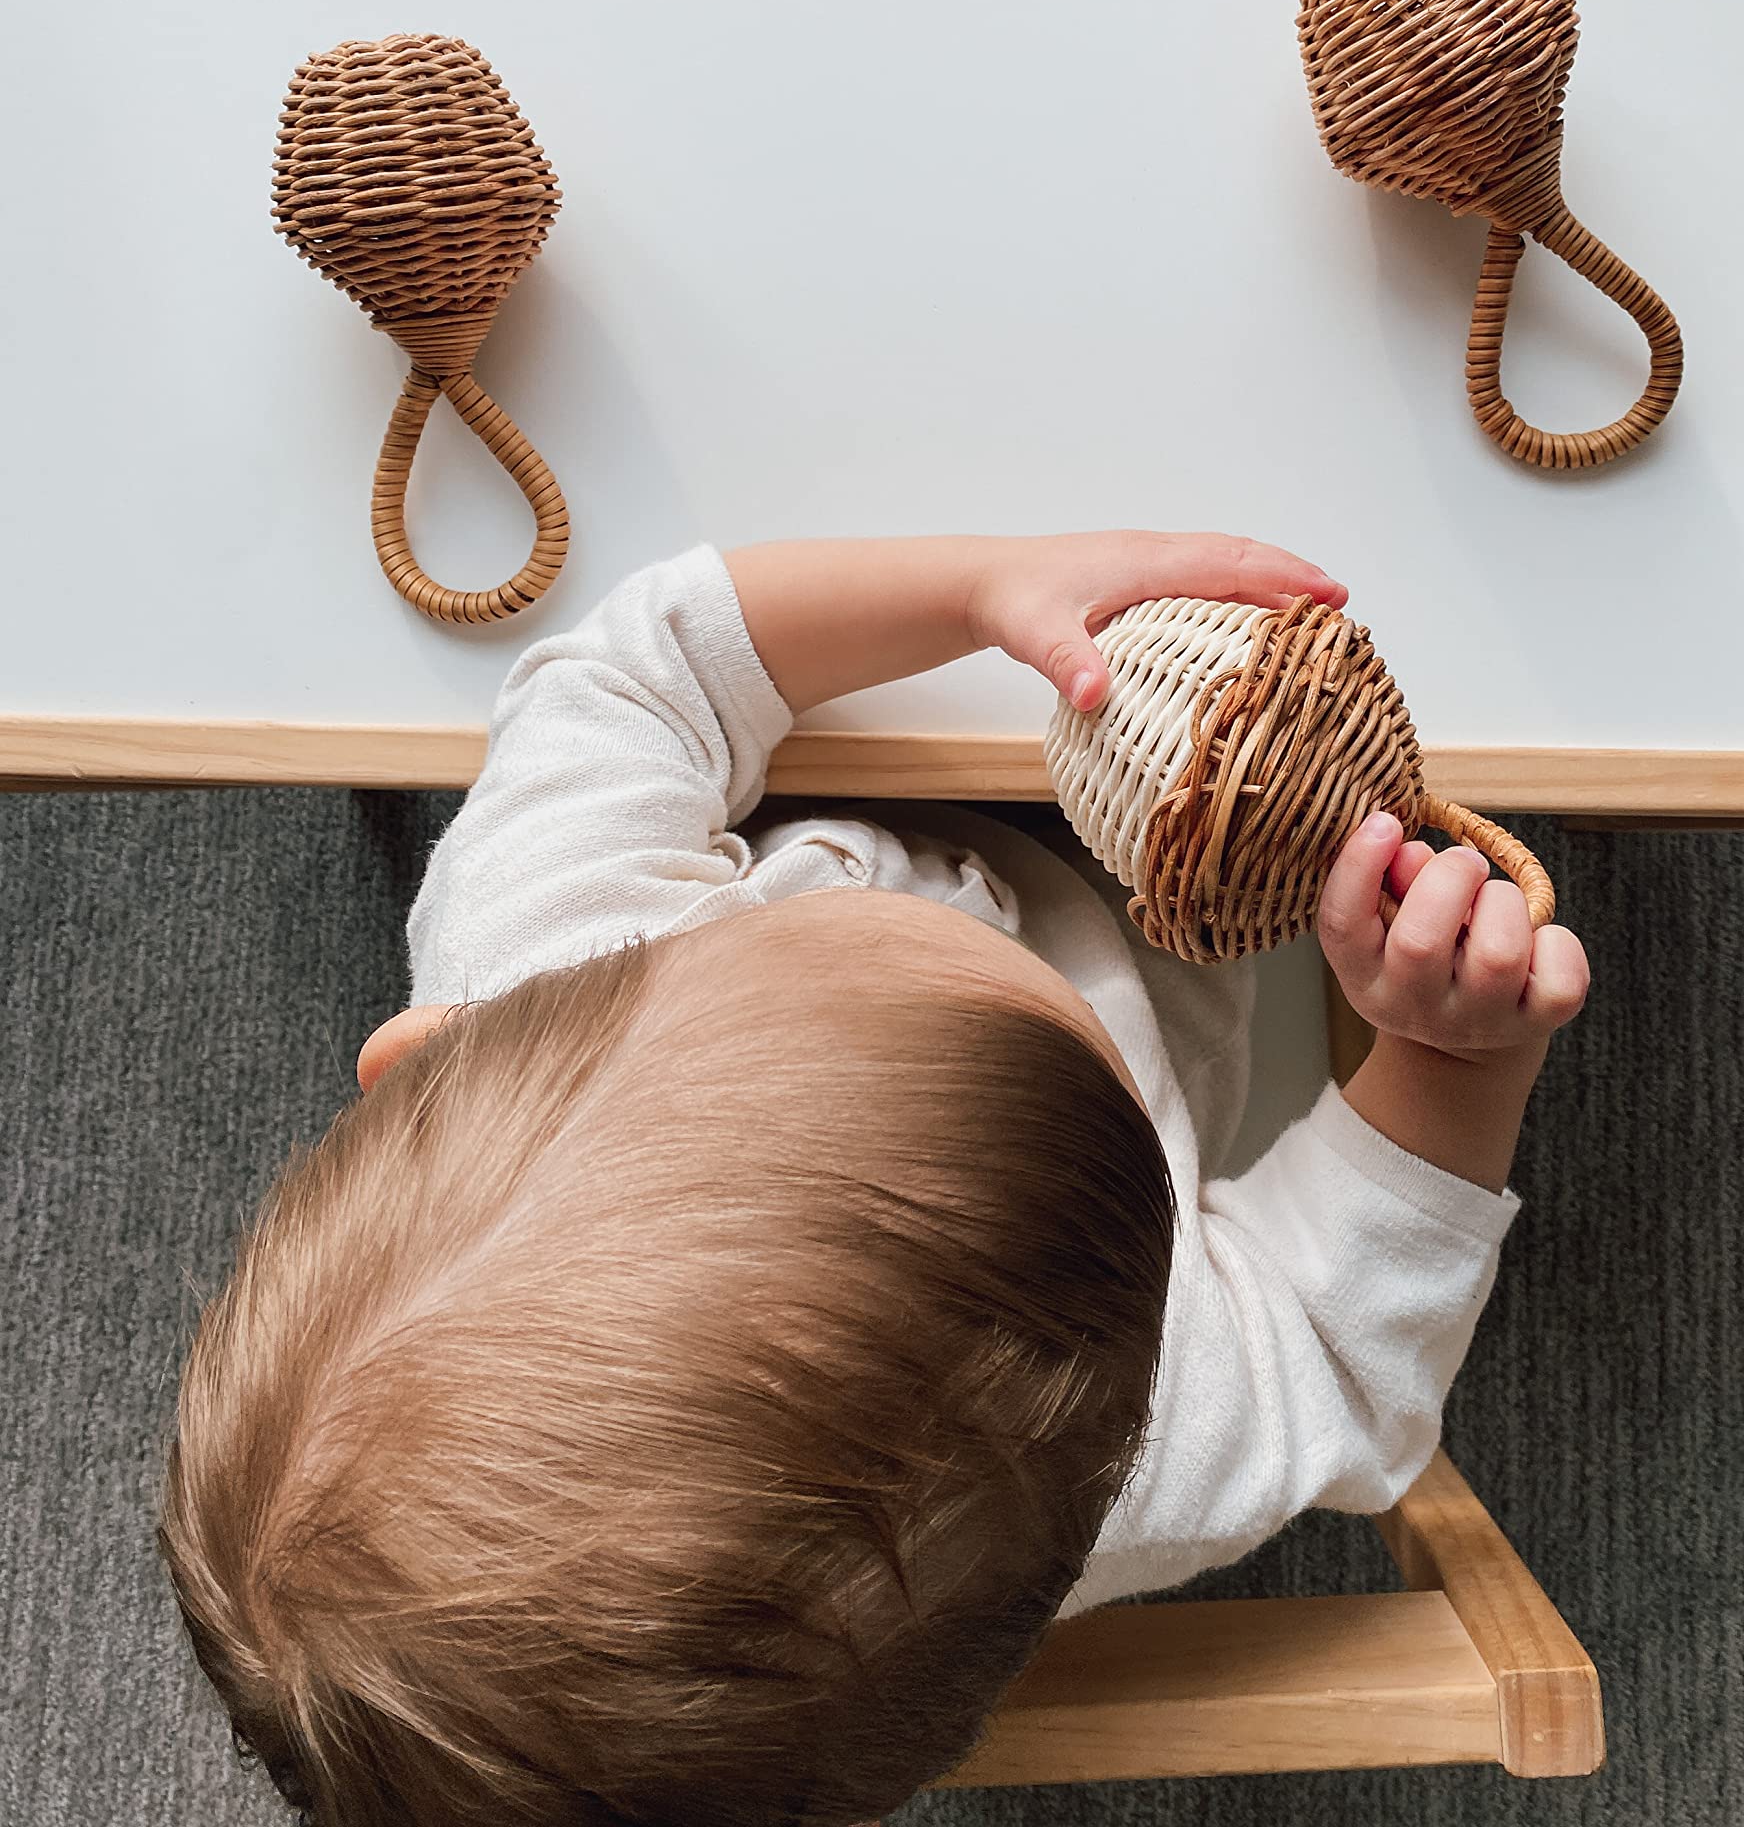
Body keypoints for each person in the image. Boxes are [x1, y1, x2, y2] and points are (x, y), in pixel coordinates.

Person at [158, 531, 1588, 1827]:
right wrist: (1449, 1057)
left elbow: (638, 668)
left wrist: (978, 590)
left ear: (437, 1050)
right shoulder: (1132, 1460)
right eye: (1064, 1039)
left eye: (813, 939)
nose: (946, 923)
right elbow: (1334, 1358)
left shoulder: (549, 951)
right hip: (1217, 971)